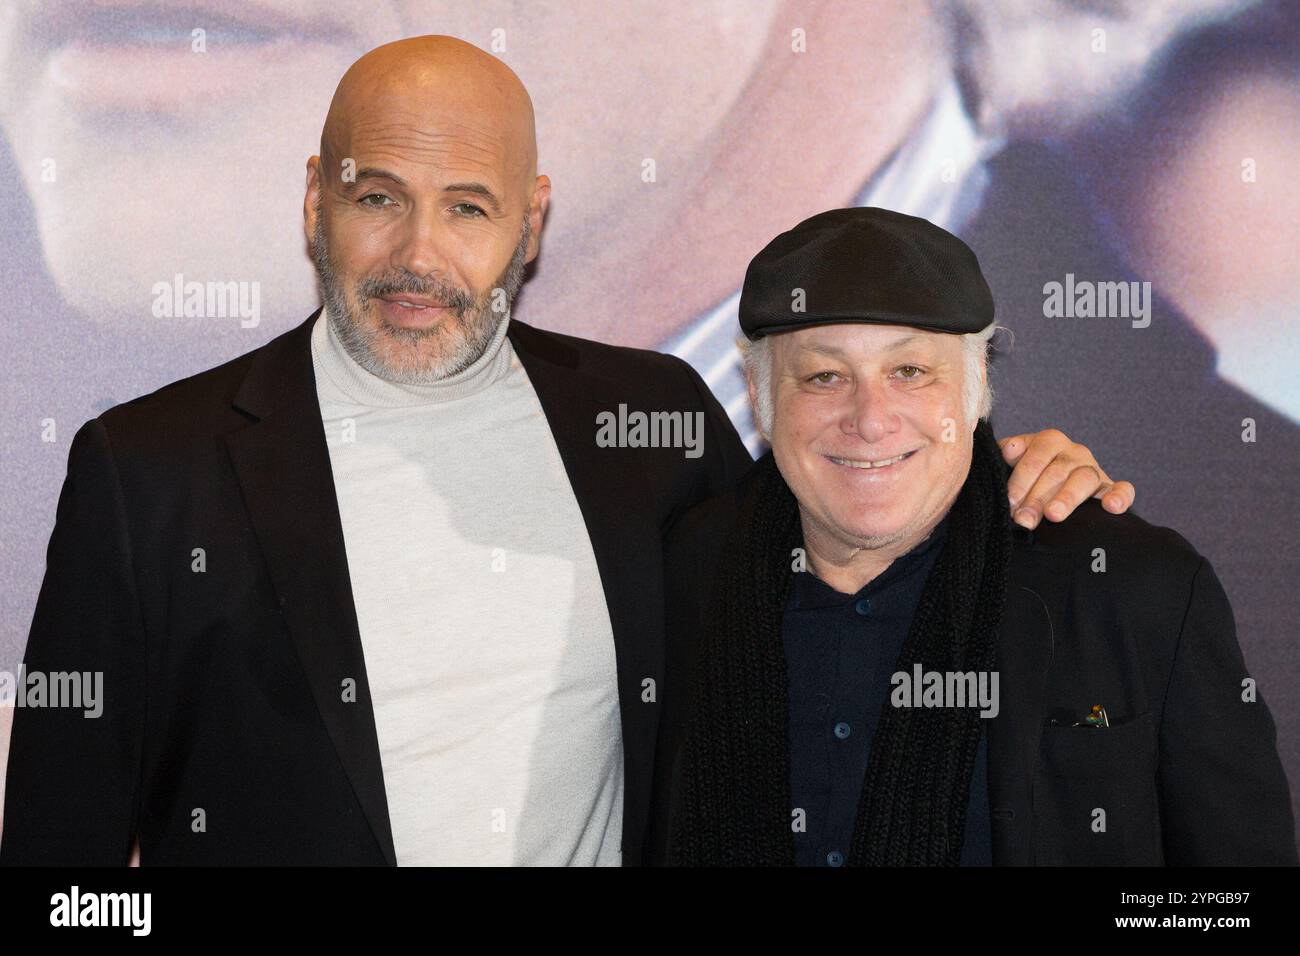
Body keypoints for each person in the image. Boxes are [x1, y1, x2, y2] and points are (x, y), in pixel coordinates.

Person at [0, 38, 1130, 867]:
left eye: (468, 208)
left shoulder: (653, 420)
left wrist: (994, 488)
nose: (417, 253)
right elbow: (61, 870)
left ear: (529, 223)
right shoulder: (143, 469)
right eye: (377, 197)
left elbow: (833, 603)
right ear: (314, 204)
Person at [655, 207, 1295, 865]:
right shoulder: (682, 580)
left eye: (910, 371)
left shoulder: (1132, 587)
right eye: (824, 376)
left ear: (977, 383)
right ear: (759, 397)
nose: (870, 420)